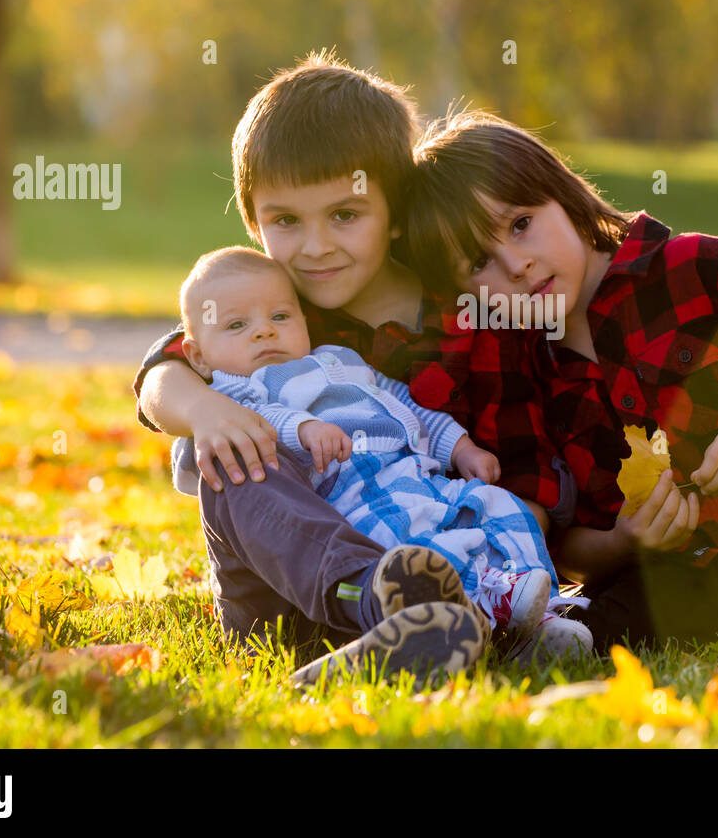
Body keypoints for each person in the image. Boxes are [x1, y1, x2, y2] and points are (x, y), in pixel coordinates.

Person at [134, 52, 573, 679]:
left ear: (395, 211)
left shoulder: (465, 317)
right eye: (286, 221)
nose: (316, 247)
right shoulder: (273, 313)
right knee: (235, 459)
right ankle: (374, 599)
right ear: (255, 224)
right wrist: (205, 409)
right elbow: (166, 366)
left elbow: (522, 471)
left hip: (445, 558)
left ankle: (436, 634)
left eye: (346, 215)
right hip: (289, 595)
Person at [404, 109, 718, 653]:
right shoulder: (515, 373)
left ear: (562, 195)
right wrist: (626, 541)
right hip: (662, 574)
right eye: (478, 262)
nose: (516, 264)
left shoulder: (706, 269)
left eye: (520, 224)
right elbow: (557, 543)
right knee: (598, 631)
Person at [175, 244, 591, 663]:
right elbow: (253, 420)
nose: (264, 331)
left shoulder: (342, 361)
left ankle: (536, 613)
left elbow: (403, 402)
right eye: (236, 325)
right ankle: (467, 611)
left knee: (502, 508)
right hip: (347, 497)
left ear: (305, 321)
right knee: (413, 546)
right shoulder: (229, 391)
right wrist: (303, 428)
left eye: (280, 316)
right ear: (197, 355)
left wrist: (459, 446)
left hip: (413, 476)